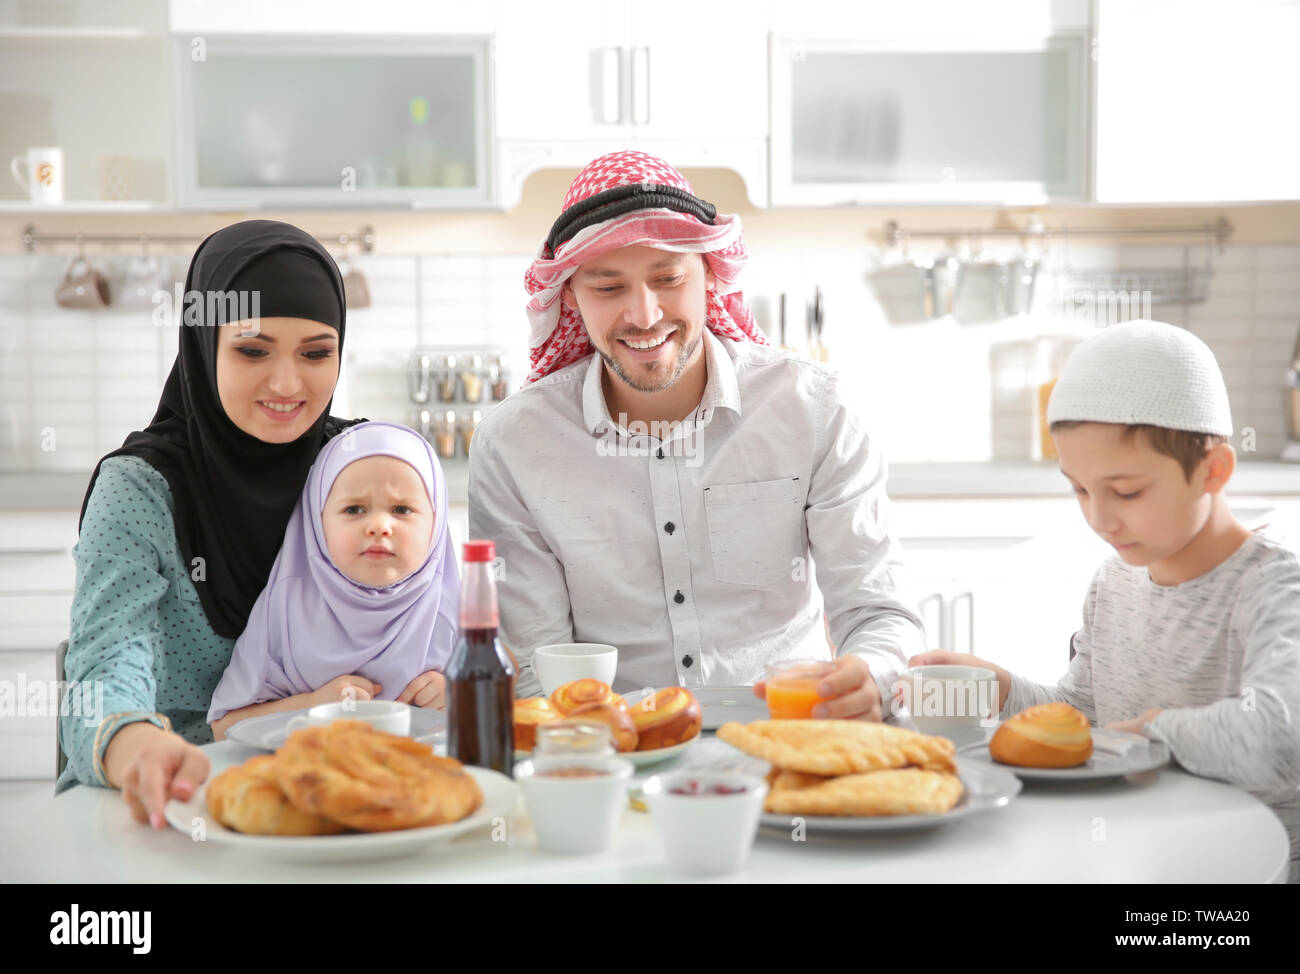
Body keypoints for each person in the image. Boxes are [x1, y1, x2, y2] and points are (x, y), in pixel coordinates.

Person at [468, 150, 924, 718]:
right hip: (615, 753)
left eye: (668, 278)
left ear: (710, 276)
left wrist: (872, 675)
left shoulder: (814, 410)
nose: (643, 313)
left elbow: (878, 612)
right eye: (608, 288)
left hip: (794, 735)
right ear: (571, 299)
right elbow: (539, 664)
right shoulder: (514, 446)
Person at [914, 320, 1300, 883]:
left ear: (1212, 470)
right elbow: (1087, 721)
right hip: (1133, 862)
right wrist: (1000, 687)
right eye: (1079, 488)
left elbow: (1280, 737)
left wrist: (1150, 731)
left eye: (1126, 492)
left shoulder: (1273, 587)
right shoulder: (1113, 584)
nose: (1098, 517)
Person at [59, 219, 366, 831]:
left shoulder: (360, 467)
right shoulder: (143, 487)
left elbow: (420, 617)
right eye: (252, 350)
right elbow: (106, 666)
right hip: (171, 796)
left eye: (315, 353)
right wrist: (138, 745)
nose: (286, 384)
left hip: (324, 797)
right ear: (204, 344)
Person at [207, 420, 459, 737]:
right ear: (316, 520)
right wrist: (313, 705)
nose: (380, 526)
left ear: (435, 524)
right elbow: (223, 726)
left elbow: (508, 699)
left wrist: (457, 695)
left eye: (401, 509)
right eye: (354, 509)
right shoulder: (285, 607)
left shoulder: (453, 610)